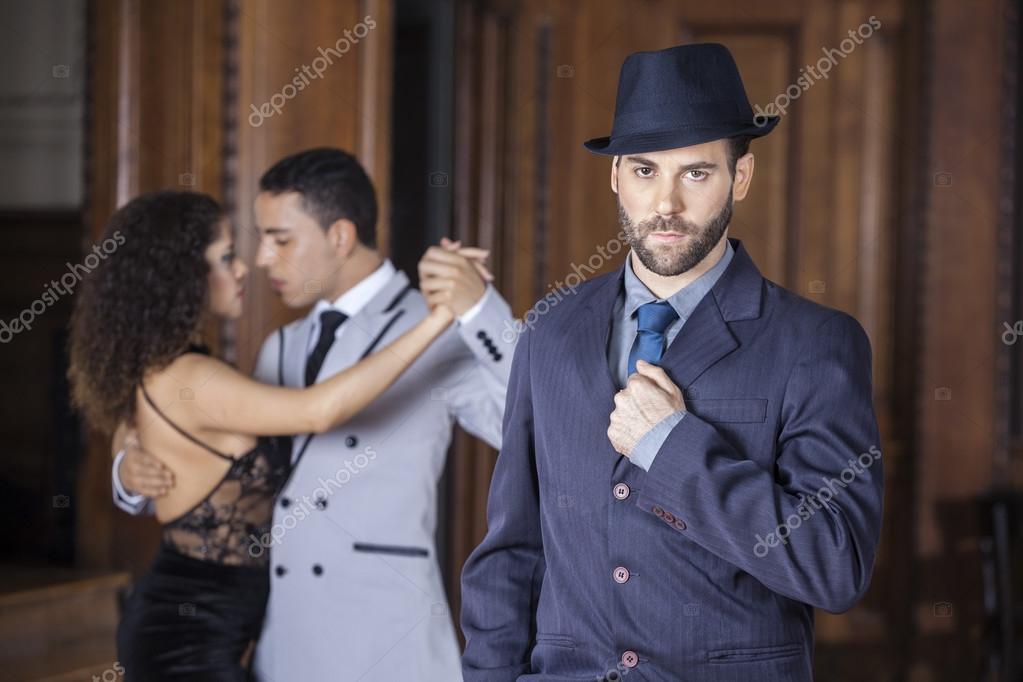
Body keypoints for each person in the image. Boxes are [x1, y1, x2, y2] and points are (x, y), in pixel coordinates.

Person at [460, 43, 884, 681]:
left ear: (741, 176)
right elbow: (511, 552)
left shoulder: (815, 343)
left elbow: (835, 565)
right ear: (615, 176)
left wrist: (671, 447)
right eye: (644, 170)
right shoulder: (550, 331)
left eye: (696, 173)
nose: (666, 204)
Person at [112, 148, 519, 680]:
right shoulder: (281, 344)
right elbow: (221, 461)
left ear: (340, 237)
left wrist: (480, 309)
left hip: (383, 634)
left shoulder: (433, 326)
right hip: (284, 639)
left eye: (280, 240)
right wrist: (128, 470)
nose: (262, 259)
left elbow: (529, 420)